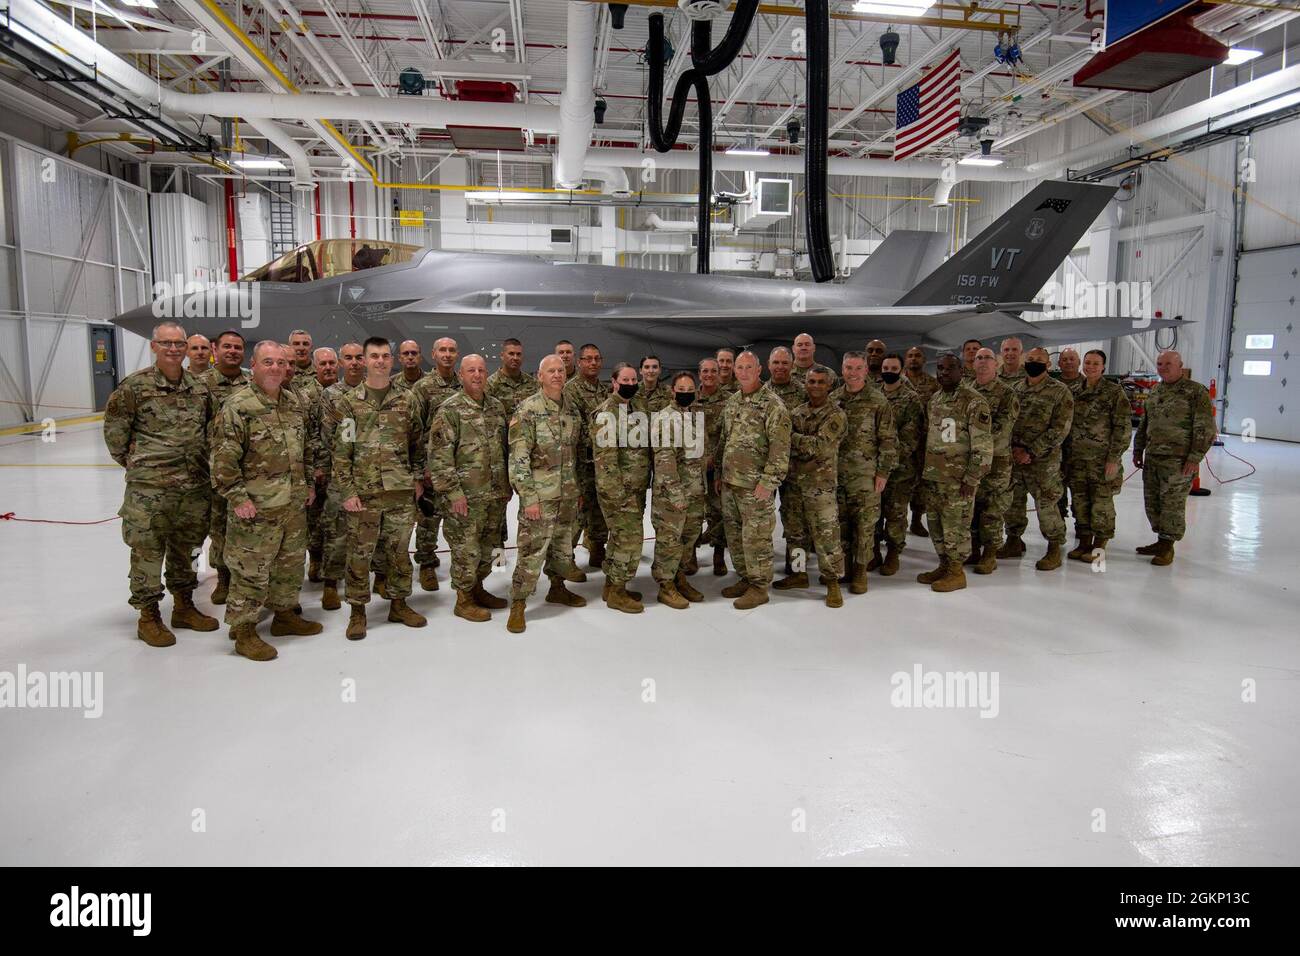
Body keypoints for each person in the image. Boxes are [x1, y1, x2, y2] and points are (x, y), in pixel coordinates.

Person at [103, 321, 218, 646]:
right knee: (148, 552)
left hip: (193, 489)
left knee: (188, 548)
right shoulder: (134, 387)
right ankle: (148, 616)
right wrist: (140, 465)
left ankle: (183, 606)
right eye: (165, 343)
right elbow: (115, 435)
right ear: (154, 347)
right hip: (149, 492)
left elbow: (209, 431)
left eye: (178, 343)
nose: (172, 349)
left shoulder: (199, 388)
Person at [211, 340, 320, 661]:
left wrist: (308, 484)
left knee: (289, 565)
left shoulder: (292, 403)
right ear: (254, 366)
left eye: (280, 363)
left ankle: (284, 616)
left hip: (292, 503)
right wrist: (237, 497)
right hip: (255, 508)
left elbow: (305, 450)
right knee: (250, 570)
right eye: (268, 362)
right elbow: (222, 461)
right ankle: (243, 631)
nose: (276, 368)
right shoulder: (238, 406)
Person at [332, 337, 428, 639]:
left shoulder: (407, 399)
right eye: (374, 356)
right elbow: (342, 451)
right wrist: (347, 492)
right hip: (365, 492)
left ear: (392, 360)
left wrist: (415, 479)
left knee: (399, 552)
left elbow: (416, 444)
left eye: (386, 356)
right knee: (360, 553)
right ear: (363, 360)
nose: (380, 361)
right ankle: (358, 611)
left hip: (399, 491)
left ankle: (399, 603)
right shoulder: (349, 402)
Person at [428, 355, 511, 622]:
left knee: (491, 547)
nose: (477, 375)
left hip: (495, 494)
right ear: (461, 376)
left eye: (481, 370)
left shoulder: (496, 407)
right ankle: (463, 599)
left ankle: (478, 588)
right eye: (471, 371)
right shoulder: (449, 410)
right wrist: (453, 493)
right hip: (465, 496)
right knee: (466, 549)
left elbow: (505, 449)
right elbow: (440, 457)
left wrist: (508, 485)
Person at [507, 354, 587, 632]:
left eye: (561, 370)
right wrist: (528, 497)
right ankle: (518, 603)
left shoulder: (572, 410)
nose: (557, 375)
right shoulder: (527, 410)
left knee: (563, 549)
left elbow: (573, 456)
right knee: (531, 553)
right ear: (539, 376)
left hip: (566, 494)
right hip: (540, 497)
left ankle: (557, 587)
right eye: (550, 371)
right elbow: (519, 458)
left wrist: (575, 490)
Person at [718, 351, 791, 609]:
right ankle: (746, 577)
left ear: (759, 370)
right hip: (731, 484)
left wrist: (768, 482)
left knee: (756, 538)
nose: (744, 371)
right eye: (740, 367)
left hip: (755, 487)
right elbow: (725, 441)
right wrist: (721, 475)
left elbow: (780, 449)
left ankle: (760, 587)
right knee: (736, 536)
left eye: (749, 366)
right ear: (735, 371)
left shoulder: (773, 405)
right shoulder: (733, 402)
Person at [1133, 350, 1215, 566]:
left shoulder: (1195, 392)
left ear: (1180, 366)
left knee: (1172, 504)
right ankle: (1161, 540)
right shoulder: (1156, 390)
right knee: (1153, 503)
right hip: (1153, 457)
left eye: (1168, 363)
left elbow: (1205, 427)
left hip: (1178, 461)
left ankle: (1168, 546)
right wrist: (1137, 449)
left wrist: (1195, 457)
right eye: (1159, 363)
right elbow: (1145, 423)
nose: (1163, 367)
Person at [918, 354, 992, 592]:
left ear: (962, 370)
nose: (943, 373)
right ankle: (944, 564)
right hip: (934, 477)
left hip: (958, 480)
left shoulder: (973, 401)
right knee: (936, 526)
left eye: (950, 368)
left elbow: (983, 445)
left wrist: (972, 478)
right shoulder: (935, 399)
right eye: (939, 368)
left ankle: (956, 572)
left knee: (956, 528)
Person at [774, 366, 845, 607]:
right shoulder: (797, 412)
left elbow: (819, 446)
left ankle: (833, 582)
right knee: (795, 534)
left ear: (829, 385)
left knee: (826, 535)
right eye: (811, 381)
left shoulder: (836, 415)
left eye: (820, 382)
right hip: (794, 484)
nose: (815, 386)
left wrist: (792, 439)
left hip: (820, 486)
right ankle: (798, 574)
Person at [1001, 347, 1074, 571]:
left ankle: (1054, 547)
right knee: (1012, 502)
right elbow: (1007, 421)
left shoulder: (1060, 391)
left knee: (1047, 505)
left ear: (1048, 365)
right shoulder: (1015, 389)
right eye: (1030, 360)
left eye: (1039, 360)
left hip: (1043, 462)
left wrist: (1031, 452)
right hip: (1015, 458)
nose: (1033, 363)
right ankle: (1014, 540)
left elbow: (1060, 429)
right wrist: (1013, 449)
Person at [831, 352, 897, 594]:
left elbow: (889, 441)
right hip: (837, 476)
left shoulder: (878, 401)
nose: (853, 372)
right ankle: (845, 569)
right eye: (848, 367)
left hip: (866, 477)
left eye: (858, 367)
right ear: (842, 368)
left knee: (865, 527)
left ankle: (860, 573)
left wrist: (883, 473)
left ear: (866, 370)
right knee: (841, 525)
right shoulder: (834, 399)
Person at [592, 364, 652, 613]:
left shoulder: (637, 407)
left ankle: (611, 585)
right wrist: (619, 497)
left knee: (618, 539)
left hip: (636, 489)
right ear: (614, 383)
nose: (630, 383)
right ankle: (617, 591)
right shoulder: (607, 413)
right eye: (624, 380)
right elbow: (605, 462)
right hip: (618, 492)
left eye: (633, 379)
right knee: (630, 540)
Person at [197, 330, 250, 604]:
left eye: (238, 347)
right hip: (213, 471)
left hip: (250, 471)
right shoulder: (199, 384)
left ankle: (247, 578)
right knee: (219, 528)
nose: (232, 351)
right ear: (215, 350)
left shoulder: (252, 381)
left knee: (247, 527)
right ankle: (224, 578)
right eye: (227, 346)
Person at [648, 372, 707, 608]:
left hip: (694, 492)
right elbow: (664, 461)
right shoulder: (664, 418)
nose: (685, 393)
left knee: (688, 539)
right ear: (672, 391)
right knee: (670, 540)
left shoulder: (694, 417)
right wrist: (675, 495)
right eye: (681, 389)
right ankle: (666, 585)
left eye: (689, 389)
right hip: (673, 495)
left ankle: (679, 577)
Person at [1067, 349, 1131, 561]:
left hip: (1102, 460)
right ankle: (1084, 543)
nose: (1090, 367)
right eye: (1087, 363)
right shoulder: (1075, 390)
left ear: (1103, 367)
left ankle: (1099, 547)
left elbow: (1122, 428)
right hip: (1077, 460)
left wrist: (1113, 459)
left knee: (1101, 504)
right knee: (1080, 502)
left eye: (1096, 363)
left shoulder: (1114, 393)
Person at [410, 336, 461, 590]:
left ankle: (461, 565)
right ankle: (427, 564)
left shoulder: (464, 384)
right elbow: (415, 432)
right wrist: (420, 471)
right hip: (431, 467)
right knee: (428, 519)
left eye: (452, 350)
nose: (447, 354)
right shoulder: (423, 387)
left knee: (457, 518)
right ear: (433, 353)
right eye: (443, 350)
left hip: (458, 467)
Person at [318, 342, 365, 609]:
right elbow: (328, 437)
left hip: (372, 474)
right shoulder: (331, 395)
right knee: (335, 531)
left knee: (372, 530)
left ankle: (373, 577)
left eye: (359, 357)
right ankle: (330, 583)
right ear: (340, 363)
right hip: (341, 474)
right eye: (349, 358)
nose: (355, 362)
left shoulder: (376, 391)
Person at [967, 348, 1020, 574]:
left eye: (988, 358)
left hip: (996, 460)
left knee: (992, 509)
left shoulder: (1007, 393)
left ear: (996, 364)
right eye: (979, 358)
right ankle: (973, 550)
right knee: (971, 507)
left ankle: (990, 554)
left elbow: (1002, 428)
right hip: (970, 460)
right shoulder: (966, 391)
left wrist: (972, 442)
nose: (983, 362)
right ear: (973, 364)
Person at [875, 353, 925, 576]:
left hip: (900, 470)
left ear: (902, 371)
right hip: (873, 468)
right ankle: (873, 552)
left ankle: (893, 553)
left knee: (895, 514)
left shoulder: (910, 399)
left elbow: (910, 439)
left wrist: (887, 463)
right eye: (885, 367)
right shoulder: (874, 395)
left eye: (893, 368)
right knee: (873, 513)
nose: (888, 371)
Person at [563, 343, 607, 567]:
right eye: (588, 359)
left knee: (600, 507)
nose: (593, 363)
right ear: (579, 362)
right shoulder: (570, 390)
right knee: (577, 511)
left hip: (602, 463)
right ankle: (566, 560)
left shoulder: (605, 390)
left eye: (597, 359)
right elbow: (575, 430)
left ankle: (598, 550)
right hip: (580, 462)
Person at [765, 346, 804, 573]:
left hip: (795, 468)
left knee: (796, 522)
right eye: (776, 363)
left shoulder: (802, 393)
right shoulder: (760, 393)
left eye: (784, 363)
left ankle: (797, 570)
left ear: (792, 365)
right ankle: (762, 567)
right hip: (766, 469)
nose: (780, 367)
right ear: (769, 365)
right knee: (761, 520)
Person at [693, 357, 729, 576]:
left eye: (713, 371)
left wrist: (715, 459)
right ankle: (690, 556)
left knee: (718, 512)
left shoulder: (729, 400)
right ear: (699, 374)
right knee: (693, 513)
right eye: (705, 371)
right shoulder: (689, 397)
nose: (709, 375)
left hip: (718, 466)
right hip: (693, 468)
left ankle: (718, 555)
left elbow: (729, 434)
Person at [904, 346, 939, 536]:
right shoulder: (897, 381)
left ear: (924, 360)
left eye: (917, 356)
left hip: (924, 442)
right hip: (902, 443)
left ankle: (916, 520)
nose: (913, 359)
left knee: (921, 484)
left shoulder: (933, 384)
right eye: (910, 356)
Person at [486, 338, 540, 417]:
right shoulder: (490, 384)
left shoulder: (532, 383)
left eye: (518, 354)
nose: (515, 358)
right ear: (502, 355)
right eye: (511, 354)